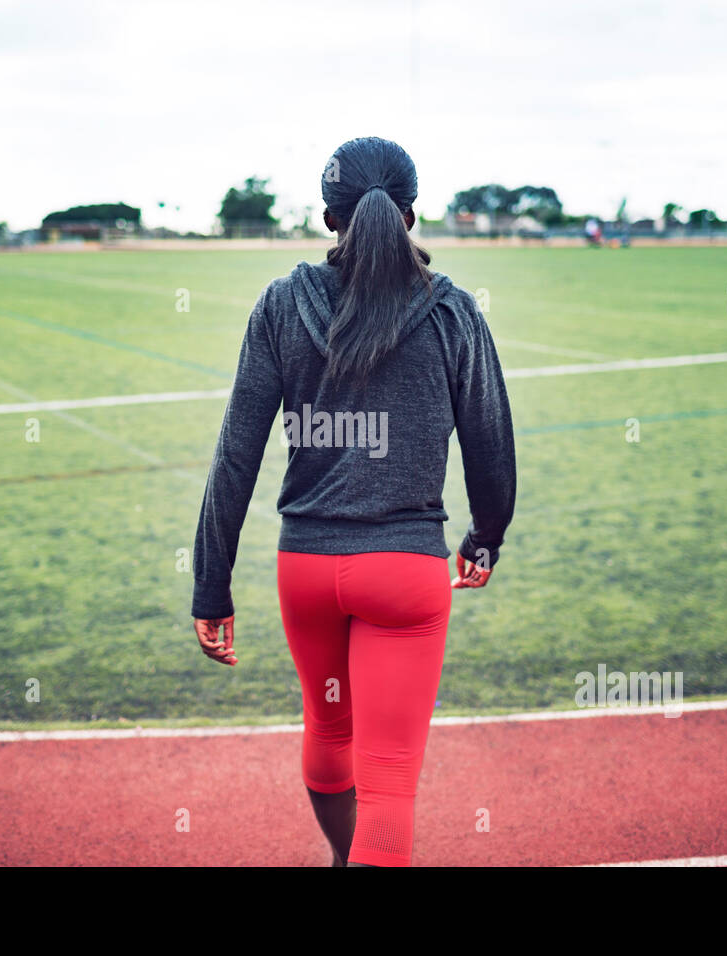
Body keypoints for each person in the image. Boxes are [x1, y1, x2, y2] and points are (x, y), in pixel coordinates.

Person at [191, 136, 517, 867]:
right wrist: (484, 538)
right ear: (411, 214)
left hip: (305, 570)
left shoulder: (280, 304)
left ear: (328, 216)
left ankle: (343, 858)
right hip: (405, 572)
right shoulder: (453, 312)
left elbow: (234, 458)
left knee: (329, 733)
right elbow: (491, 446)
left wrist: (210, 586)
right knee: (390, 785)